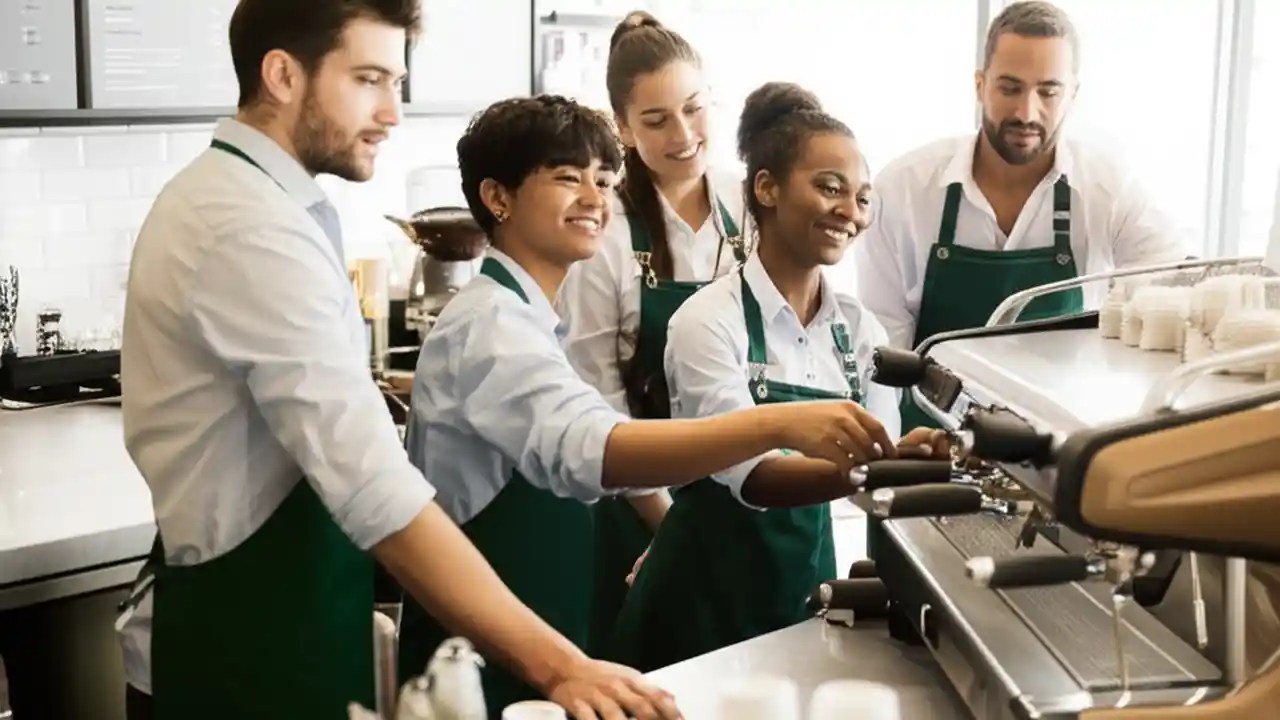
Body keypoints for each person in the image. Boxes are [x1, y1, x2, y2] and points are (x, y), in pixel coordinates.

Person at [115, 2, 685, 718]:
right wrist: (560, 667)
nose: (392, 112)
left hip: (283, 626)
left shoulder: (257, 204)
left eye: (397, 83)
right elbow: (371, 484)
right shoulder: (246, 226)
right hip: (240, 650)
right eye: (370, 79)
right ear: (283, 75)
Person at [399, 93, 896, 715]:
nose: (595, 199)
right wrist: (777, 423)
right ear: (498, 198)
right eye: (568, 178)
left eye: (605, 181)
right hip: (475, 661)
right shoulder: (491, 326)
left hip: (528, 635)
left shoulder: (528, 319)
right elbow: (591, 447)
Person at [605, 82, 950, 672]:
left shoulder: (860, 332)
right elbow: (755, 477)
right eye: (829, 188)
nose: (849, 211)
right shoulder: (708, 321)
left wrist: (911, 460)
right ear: (766, 188)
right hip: (696, 603)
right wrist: (874, 468)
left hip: (802, 594)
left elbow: (877, 466)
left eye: (862, 198)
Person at [853, 0, 1186, 427]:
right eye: (1010, 88)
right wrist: (888, 451)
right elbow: (883, 352)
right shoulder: (903, 188)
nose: (1027, 113)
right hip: (929, 440)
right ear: (980, 85)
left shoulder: (1108, 188)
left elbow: (1166, 294)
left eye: (1048, 91)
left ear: (1073, 95)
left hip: (1055, 441)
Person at [556, 10, 748, 653]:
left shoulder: (751, 205)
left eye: (694, 109)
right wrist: (670, 525)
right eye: (657, 120)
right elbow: (597, 402)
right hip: (637, 508)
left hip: (744, 496)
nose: (684, 135)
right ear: (622, 128)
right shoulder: (603, 229)